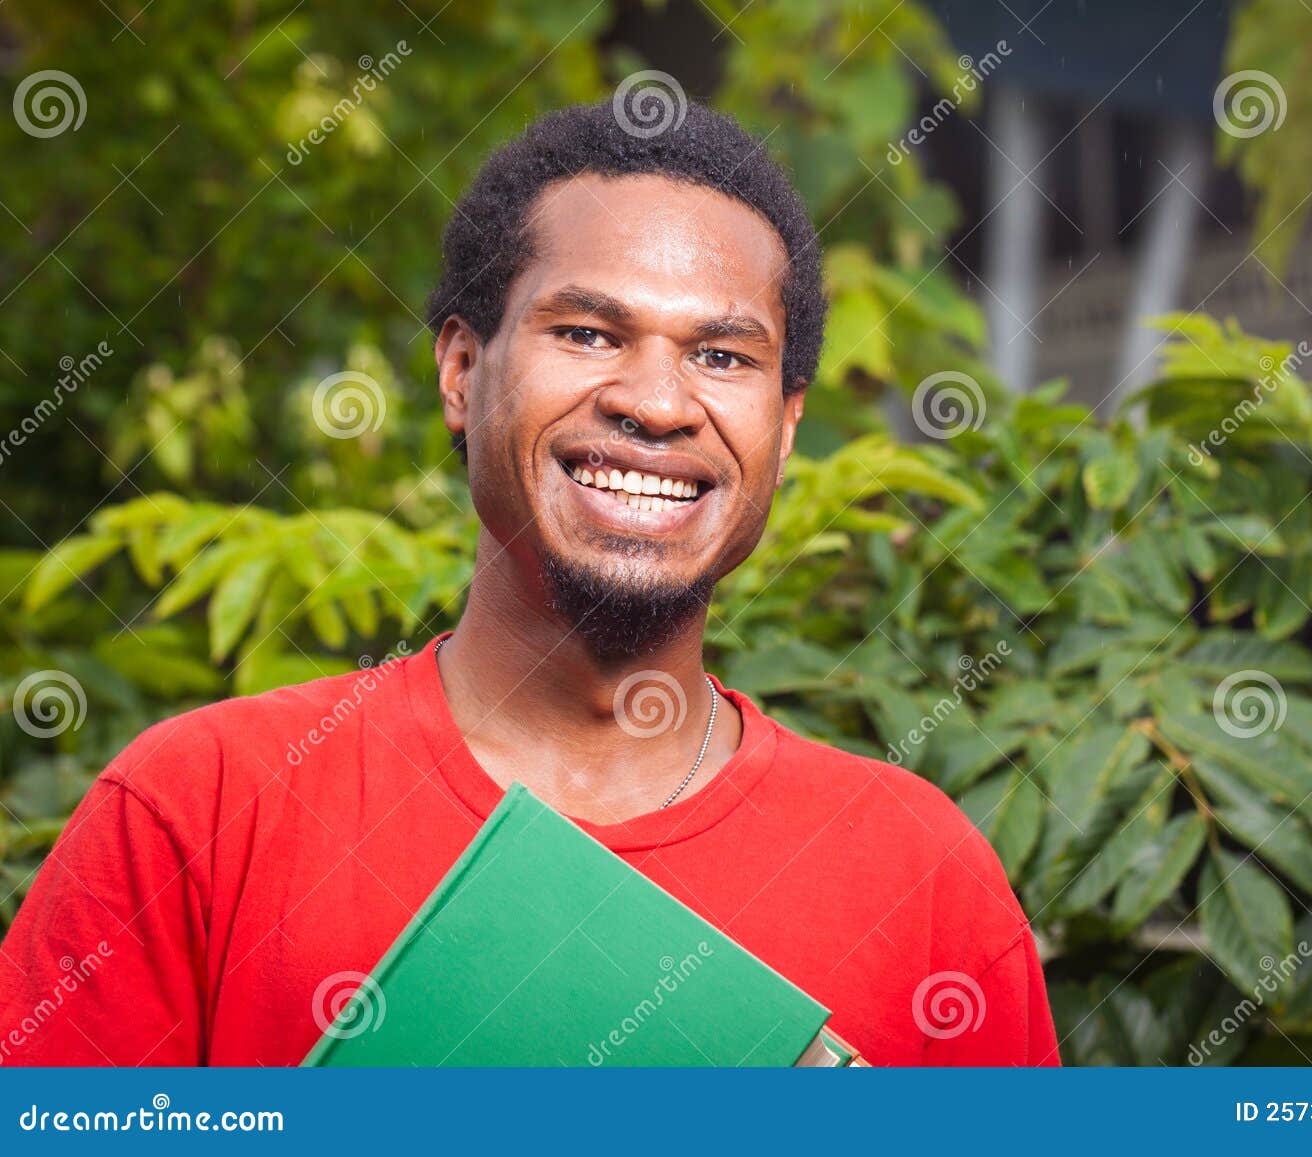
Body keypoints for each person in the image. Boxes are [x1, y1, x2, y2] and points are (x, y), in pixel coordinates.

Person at [0, 99, 1059, 1067]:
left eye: (723, 357)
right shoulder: (202, 811)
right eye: (588, 332)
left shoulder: (921, 880)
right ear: (462, 370)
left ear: (783, 429)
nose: (655, 401)